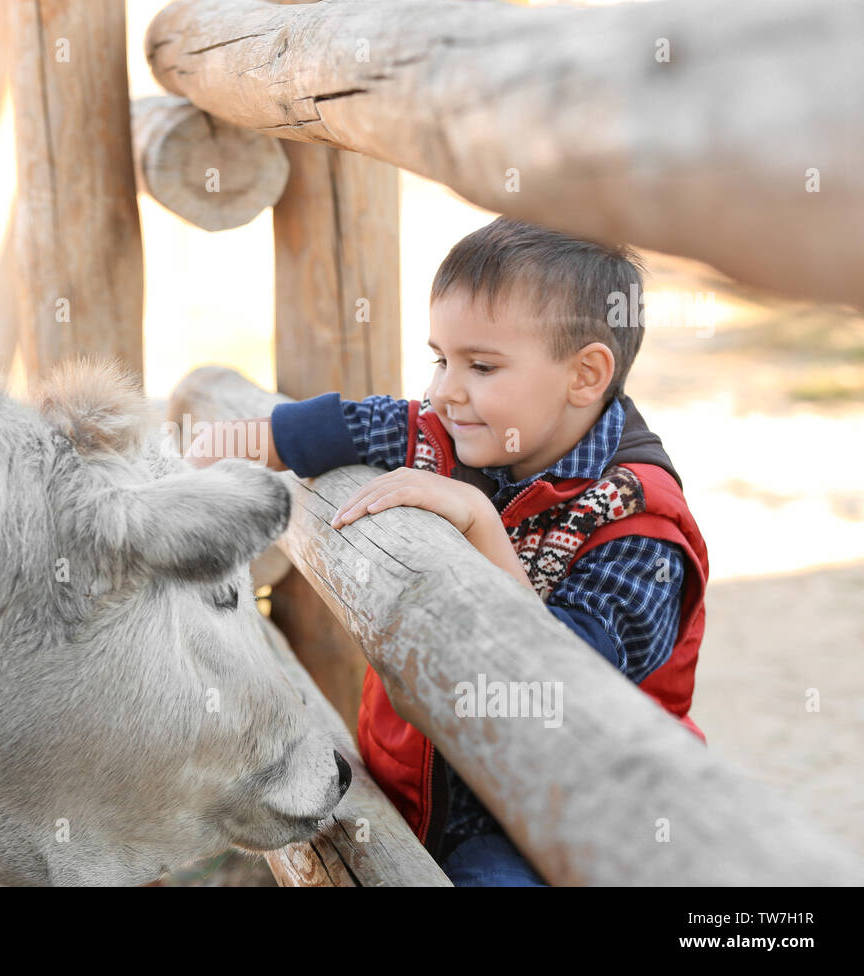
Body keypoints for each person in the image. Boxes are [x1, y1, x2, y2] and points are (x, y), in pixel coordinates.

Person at [185, 216, 709, 886]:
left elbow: (562, 689)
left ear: (585, 375)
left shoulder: (639, 533)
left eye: (481, 366)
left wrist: (481, 525)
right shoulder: (460, 432)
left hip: (566, 824)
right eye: (442, 358)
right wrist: (230, 444)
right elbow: (356, 424)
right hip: (426, 793)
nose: (443, 390)